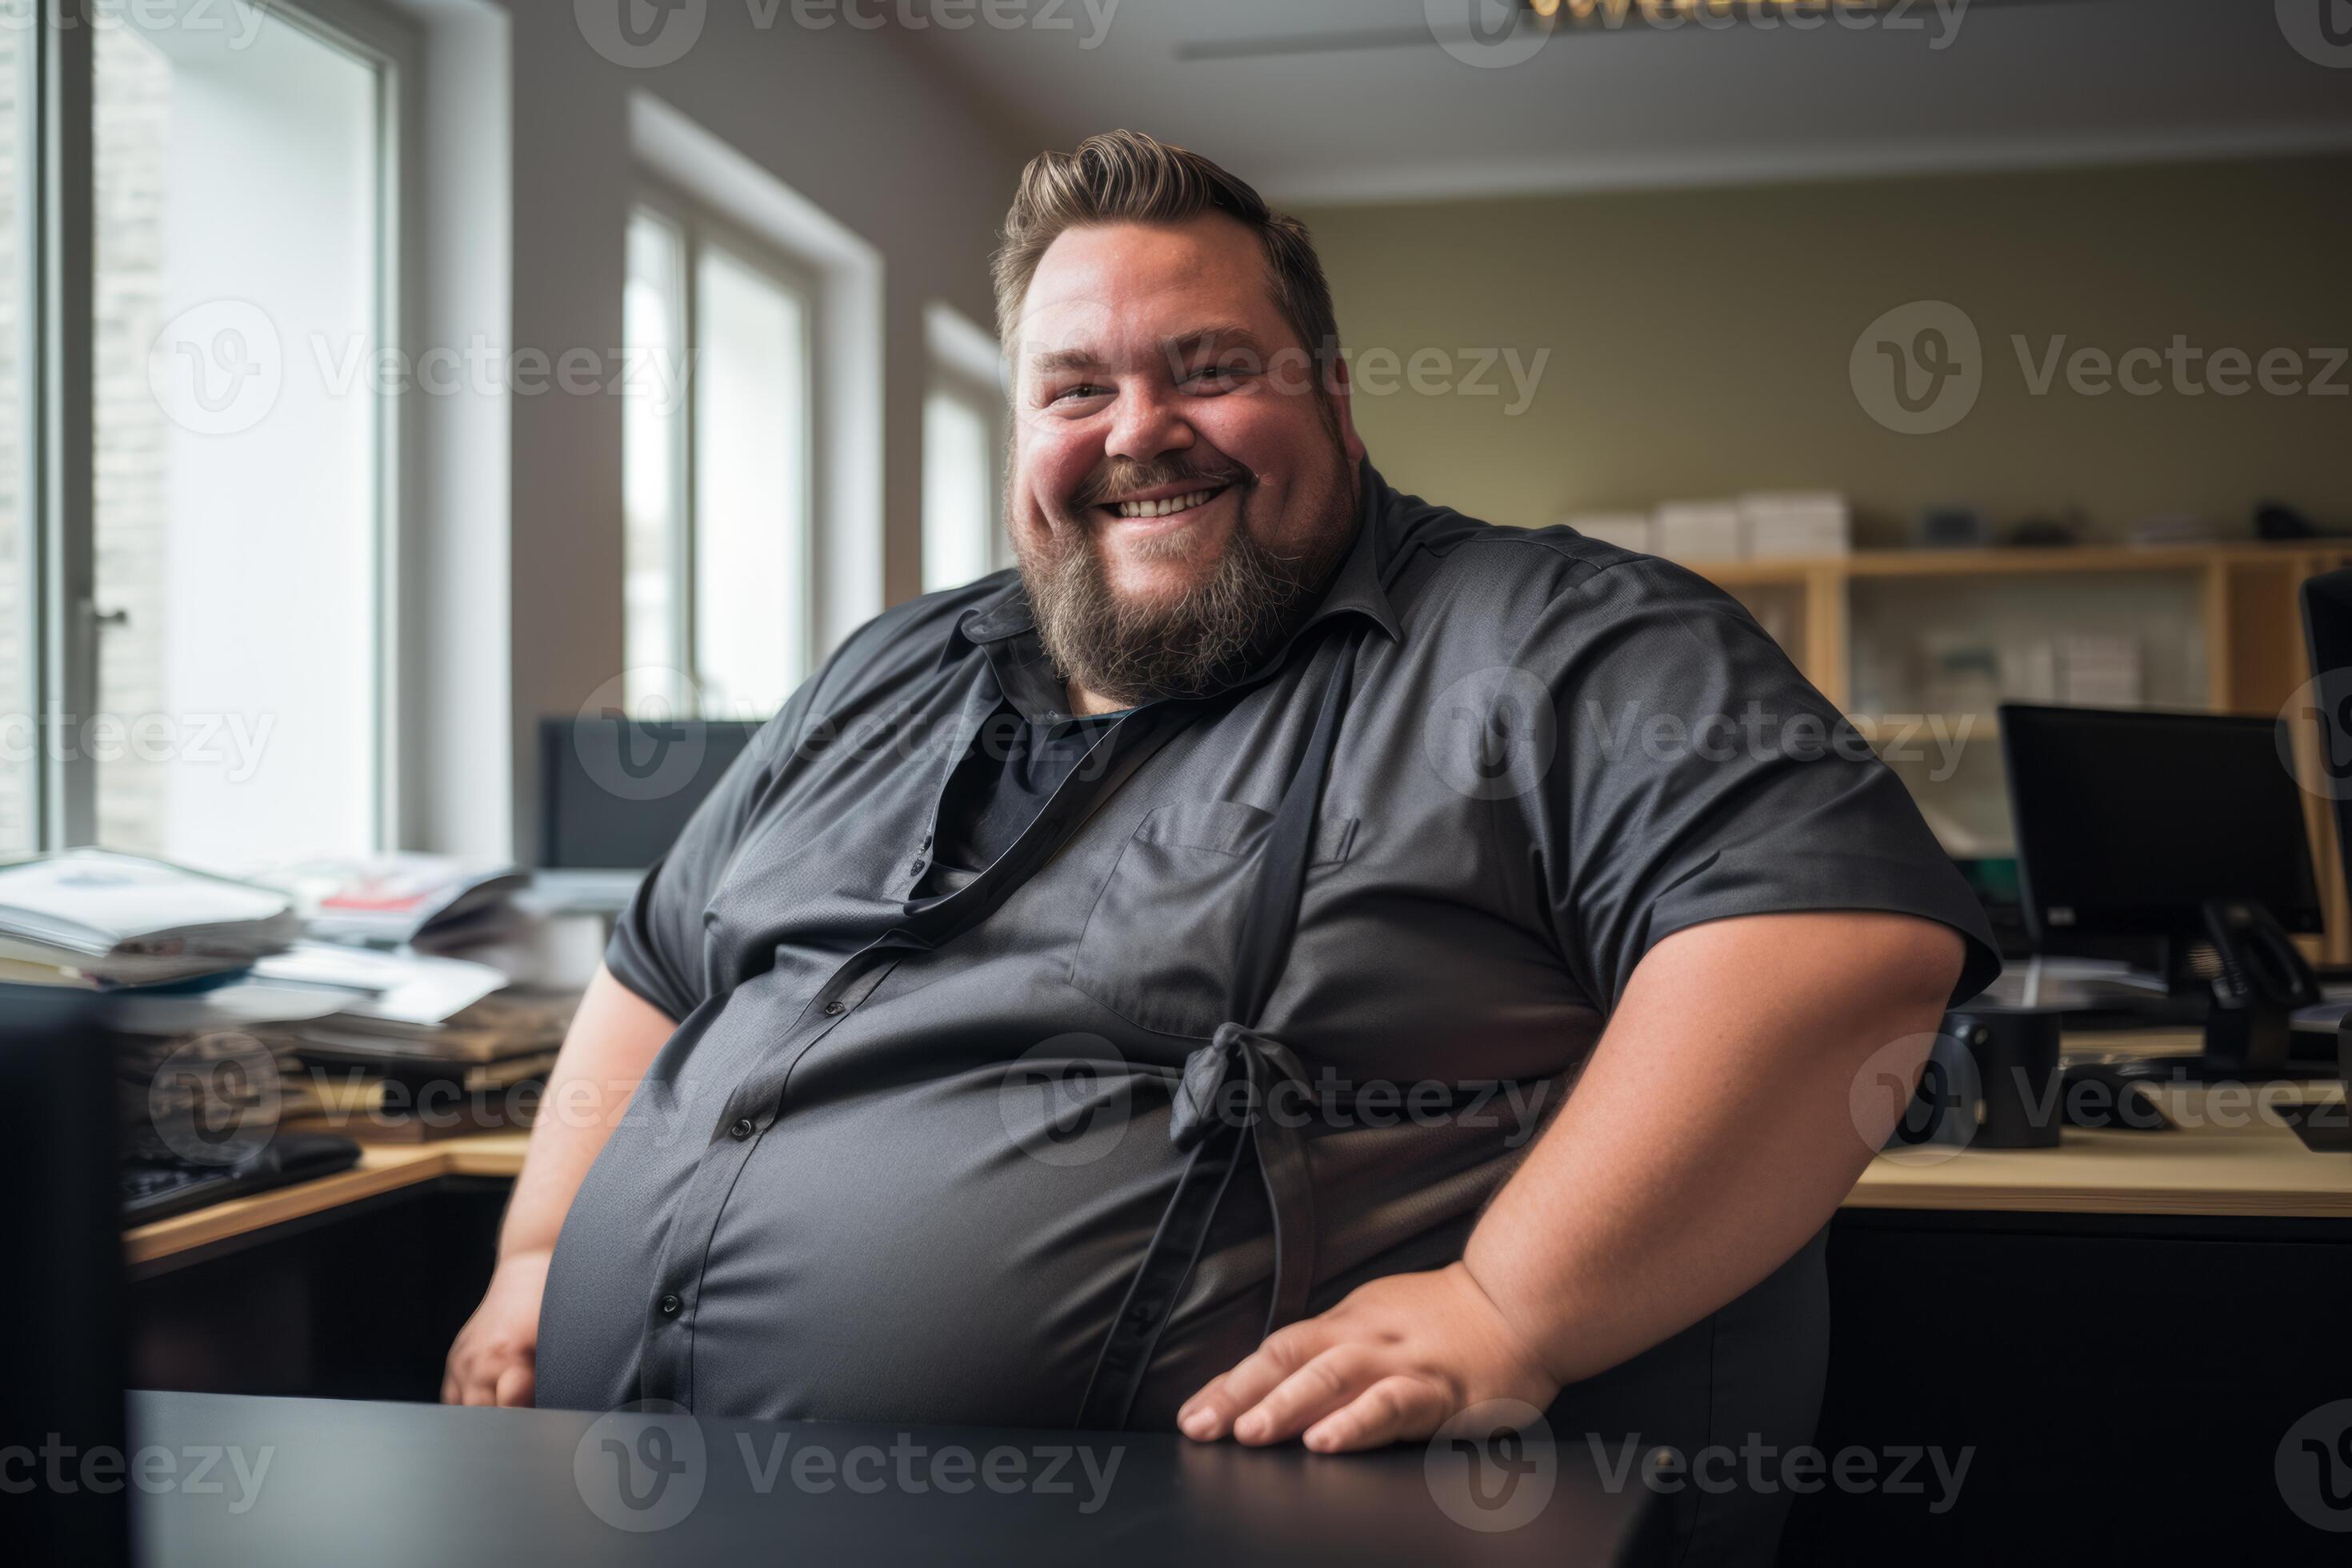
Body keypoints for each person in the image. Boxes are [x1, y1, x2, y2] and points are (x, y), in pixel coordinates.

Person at [447, 129, 1995, 1562]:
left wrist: (1504, 1307)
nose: (1140, 431)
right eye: (1075, 390)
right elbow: (662, 969)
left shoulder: (1565, 638)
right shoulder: (883, 672)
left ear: (1335, 395)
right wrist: (539, 1259)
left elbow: (1835, 954)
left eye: (1210, 369)